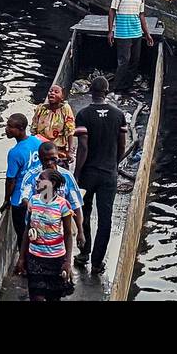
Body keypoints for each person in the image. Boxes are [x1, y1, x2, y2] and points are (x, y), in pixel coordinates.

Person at [72, 76, 127, 273]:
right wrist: (114, 164)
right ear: (107, 91)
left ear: (90, 91)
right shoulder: (118, 114)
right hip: (108, 174)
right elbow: (122, 145)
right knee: (105, 219)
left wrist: (77, 174)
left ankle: (84, 253)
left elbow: (83, 148)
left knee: (84, 213)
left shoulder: (83, 114)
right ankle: (97, 263)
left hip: (88, 174)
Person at [17, 168, 75, 301]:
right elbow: (27, 229)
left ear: (52, 183)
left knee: (53, 297)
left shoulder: (63, 205)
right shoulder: (33, 201)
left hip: (55, 259)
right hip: (35, 258)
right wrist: (21, 258)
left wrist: (67, 261)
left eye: (41, 179)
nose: (37, 181)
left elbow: (67, 233)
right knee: (36, 296)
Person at [108, 0, 154, 93]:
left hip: (136, 32)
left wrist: (147, 34)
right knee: (124, 61)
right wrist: (110, 31)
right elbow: (112, 11)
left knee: (134, 61)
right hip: (123, 33)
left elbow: (142, 14)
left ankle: (126, 87)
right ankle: (115, 89)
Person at [1, 113, 43, 250]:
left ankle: (23, 262)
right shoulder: (36, 142)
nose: (6, 129)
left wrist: (6, 200)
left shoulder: (15, 153)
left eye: (10, 127)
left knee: (22, 233)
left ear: (20, 129)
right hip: (38, 194)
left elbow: (10, 180)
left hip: (19, 200)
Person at [31, 84, 75, 164]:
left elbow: (70, 131)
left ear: (62, 97)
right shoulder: (41, 108)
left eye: (56, 92)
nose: (52, 93)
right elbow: (34, 130)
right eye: (50, 91)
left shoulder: (65, 109)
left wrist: (70, 151)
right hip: (41, 148)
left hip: (58, 150)